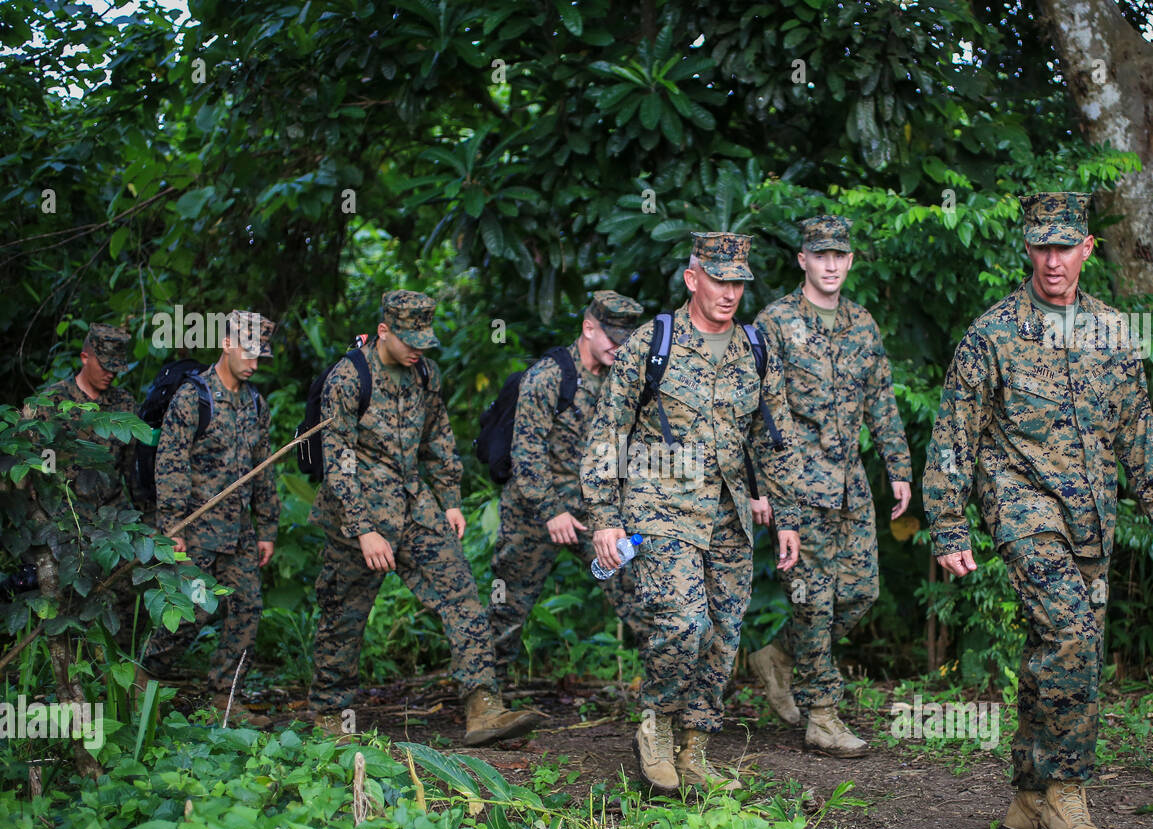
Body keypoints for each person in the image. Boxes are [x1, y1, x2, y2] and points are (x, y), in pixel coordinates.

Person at [923, 192, 1153, 829]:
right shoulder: (993, 334)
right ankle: (1067, 791)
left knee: (1066, 647)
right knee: (1068, 628)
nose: (1052, 260)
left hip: (1092, 516)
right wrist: (950, 525)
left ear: (1087, 249)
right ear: (1027, 248)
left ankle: (1026, 797)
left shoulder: (1112, 330)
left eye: (1064, 246)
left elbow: (1137, 425)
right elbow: (954, 435)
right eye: (1041, 245)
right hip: (1021, 507)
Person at [581, 233, 805, 792]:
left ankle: (694, 750)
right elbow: (608, 432)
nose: (729, 293)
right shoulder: (651, 343)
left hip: (729, 514)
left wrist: (789, 516)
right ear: (692, 279)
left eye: (738, 282)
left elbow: (775, 440)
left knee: (724, 635)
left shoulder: (755, 350)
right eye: (719, 280)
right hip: (660, 509)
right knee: (684, 625)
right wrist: (605, 517)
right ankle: (655, 726)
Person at [310, 290, 541, 744]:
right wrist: (363, 530)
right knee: (344, 615)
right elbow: (337, 461)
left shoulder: (425, 375)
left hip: (415, 505)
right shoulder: (348, 378)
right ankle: (328, 715)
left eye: (424, 339)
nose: (418, 348)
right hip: (358, 514)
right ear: (384, 331)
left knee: (462, 596)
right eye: (409, 338)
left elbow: (437, 437)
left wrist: (450, 498)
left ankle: (483, 706)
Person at [748, 215, 912, 757]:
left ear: (849, 260)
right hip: (797, 483)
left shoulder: (862, 324)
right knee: (814, 600)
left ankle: (778, 656)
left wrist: (899, 467)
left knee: (860, 592)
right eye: (821, 256)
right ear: (803, 260)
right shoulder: (774, 324)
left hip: (850, 487)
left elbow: (882, 400)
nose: (831, 265)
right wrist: (767, 489)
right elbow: (760, 414)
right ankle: (821, 713)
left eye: (839, 256)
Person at [490, 291, 651, 684]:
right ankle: (485, 694)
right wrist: (551, 511)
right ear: (588, 327)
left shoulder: (624, 379)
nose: (619, 345)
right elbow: (524, 455)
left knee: (639, 593)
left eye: (626, 337)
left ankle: (671, 692)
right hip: (536, 506)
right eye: (611, 336)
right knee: (509, 603)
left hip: (599, 511)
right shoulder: (548, 377)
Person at [139, 311, 279, 726]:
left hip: (239, 533)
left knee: (247, 611)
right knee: (188, 613)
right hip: (197, 532)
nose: (254, 364)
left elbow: (264, 469)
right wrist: (173, 527)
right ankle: (142, 678)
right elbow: (170, 464)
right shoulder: (193, 397)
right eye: (249, 353)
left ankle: (224, 697)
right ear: (226, 343)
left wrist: (267, 527)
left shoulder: (255, 403)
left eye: (261, 356)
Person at [32, 323, 138, 513]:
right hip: (67, 515)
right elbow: (42, 471)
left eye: (115, 368)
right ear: (84, 358)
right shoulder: (53, 401)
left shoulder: (124, 403)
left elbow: (132, 469)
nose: (110, 374)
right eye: (104, 366)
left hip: (112, 515)